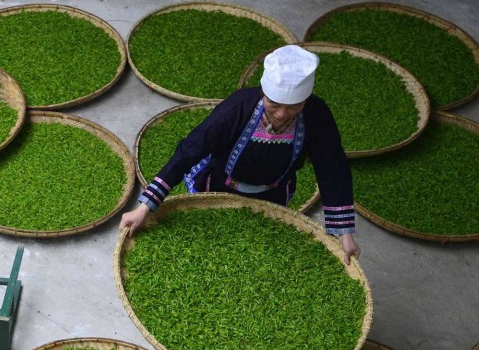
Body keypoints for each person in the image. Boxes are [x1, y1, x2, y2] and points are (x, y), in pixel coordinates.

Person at [120, 45, 361, 264]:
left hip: (273, 195)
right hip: (219, 186)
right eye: (274, 103)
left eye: (294, 107)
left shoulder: (317, 115)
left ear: (305, 99)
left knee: (255, 256)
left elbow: (332, 168)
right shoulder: (238, 108)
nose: (281, 114)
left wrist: (344, 233)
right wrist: (145, 206)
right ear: (264, 91)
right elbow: (190, 150)